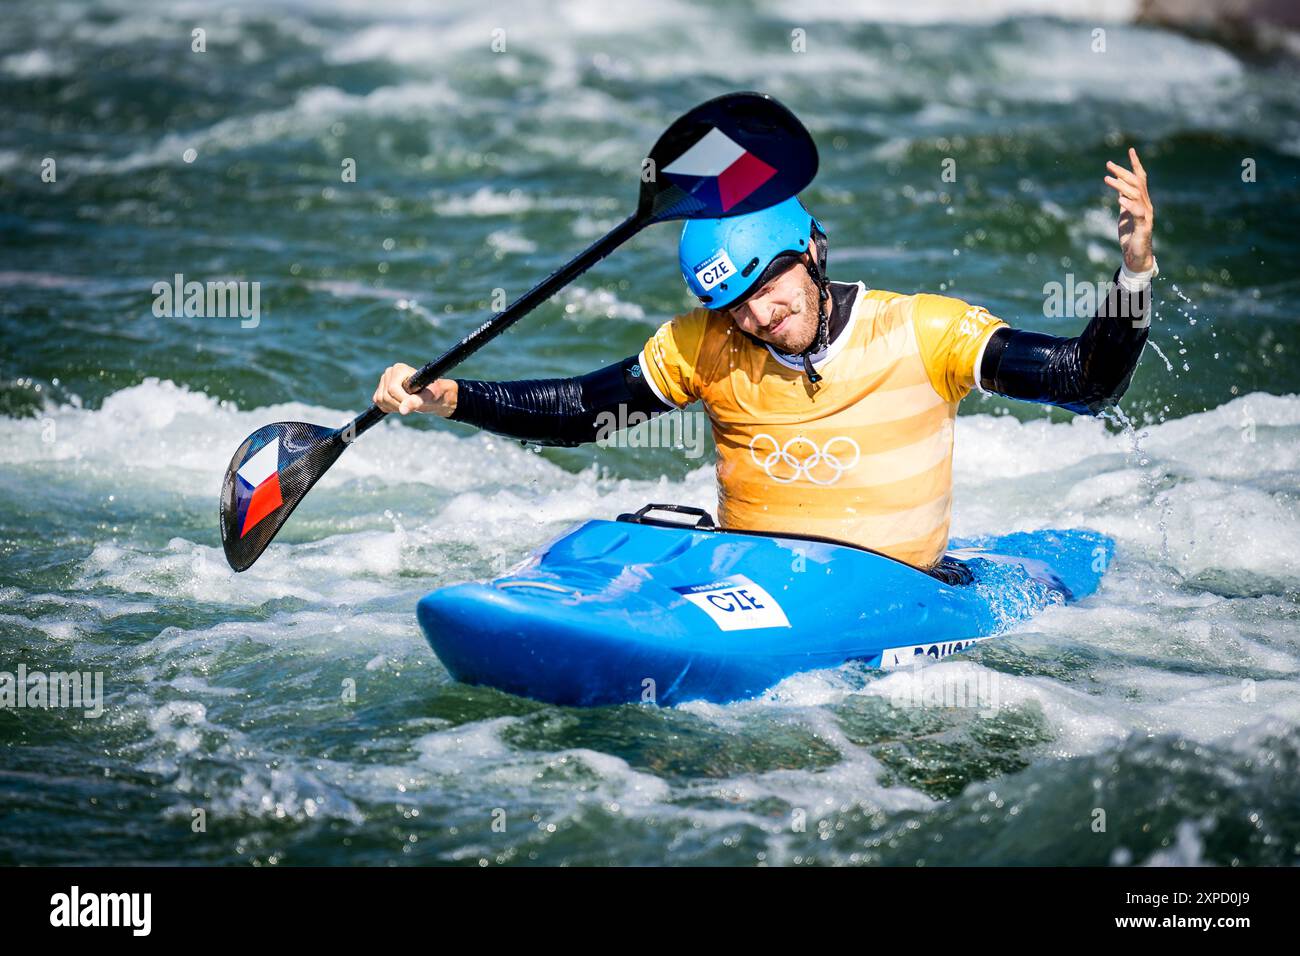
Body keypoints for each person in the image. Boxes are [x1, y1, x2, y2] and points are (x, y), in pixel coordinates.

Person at [374, 149, 1156, 577]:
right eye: (736, 305)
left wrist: (1133, 273)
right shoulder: (705, 344)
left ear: (812, 254)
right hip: (745, 575)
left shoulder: (922, 330)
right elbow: (584, 410)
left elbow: (1086, 382)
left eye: (770, 286)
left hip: (896, 588)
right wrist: (449, 396)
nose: (758, 316)